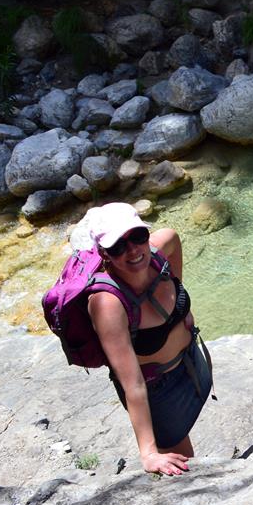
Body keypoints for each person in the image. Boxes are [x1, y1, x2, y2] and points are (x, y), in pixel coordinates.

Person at [84, 202, 212, 476]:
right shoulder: (108, 304)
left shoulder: (157, 251)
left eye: (138, 236)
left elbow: (173, 239)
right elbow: (132, 383)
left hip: (189, 363)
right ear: (104, 253)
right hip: (160, 392)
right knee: (184, 464)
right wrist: (149, 452)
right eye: (118, 246)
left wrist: (178, 298)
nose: (133, 250)